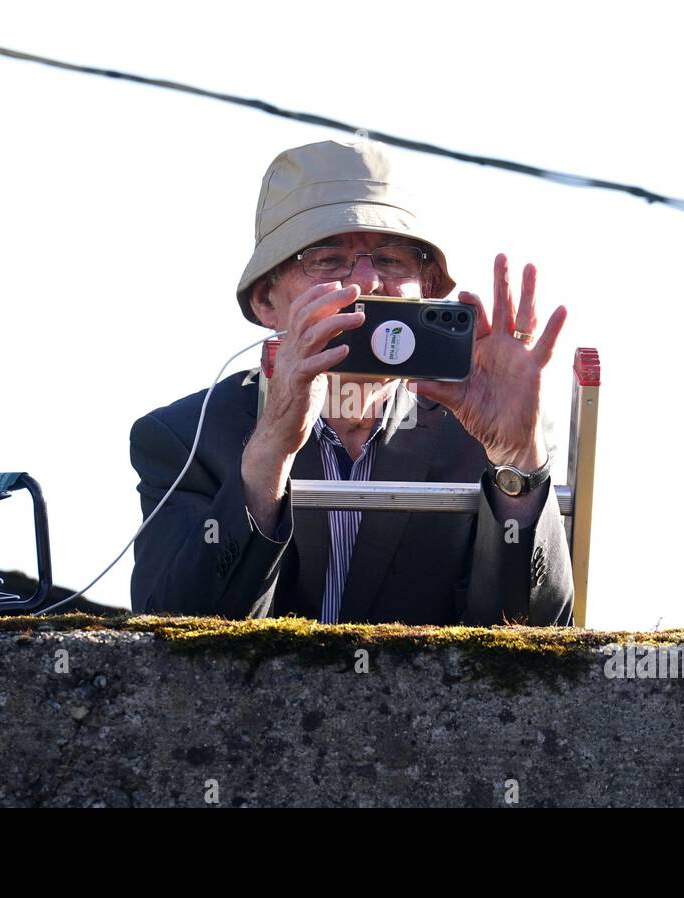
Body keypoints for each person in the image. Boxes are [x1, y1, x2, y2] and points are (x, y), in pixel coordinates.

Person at [129, 139, 573, 626]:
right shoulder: (184, 437)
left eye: (392, 260)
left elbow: (535, 641)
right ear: (266, 301)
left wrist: (518, 463)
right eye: (326, 258)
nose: (365, 283)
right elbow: (172, 638)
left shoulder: (476, 437)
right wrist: (270, 451)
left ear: (424, 289)